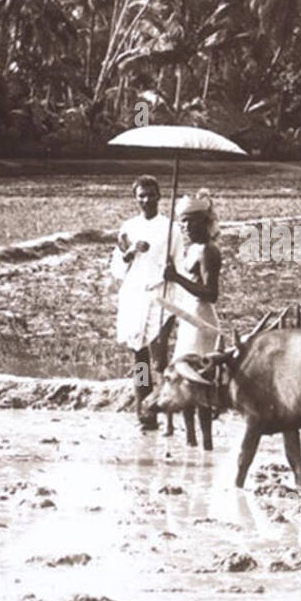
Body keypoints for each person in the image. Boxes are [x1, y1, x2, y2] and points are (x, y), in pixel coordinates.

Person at [110, 175, 175, 430]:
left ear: (159, 196)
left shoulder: (171, 228)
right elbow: (117, 268)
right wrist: (129, 253)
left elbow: (177, 263)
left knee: (160, 360)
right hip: (135, 296)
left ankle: (168, 413)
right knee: (140, 358)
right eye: (141, 196)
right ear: (135, 199)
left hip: (160, 295)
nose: (147, 200)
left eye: (151, 194)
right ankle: (145, 412)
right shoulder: (128, 227)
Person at [163, 191, 222, 449]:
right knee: (170, 373)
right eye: (183, 222)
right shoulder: (191, 250)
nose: (186, 227)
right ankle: (186, 438)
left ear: (205, 221)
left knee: (197, 380)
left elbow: (211, 293)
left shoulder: (208, 251)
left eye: (192, 221)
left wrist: (176, 277)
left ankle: (205, 442)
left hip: (200, 320)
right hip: (187, 318)